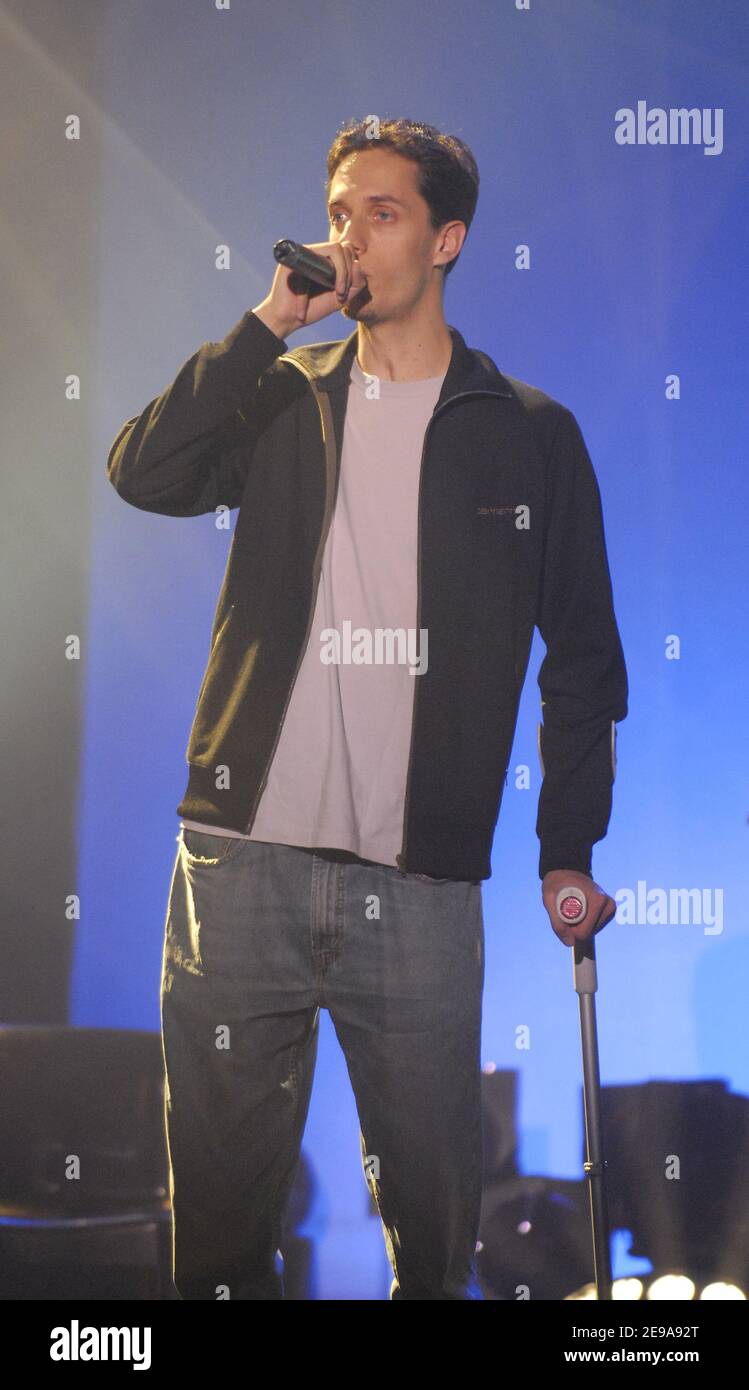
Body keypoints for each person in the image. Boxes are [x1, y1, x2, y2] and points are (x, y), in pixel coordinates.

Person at [107, 116, 627, 1300]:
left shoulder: (529, 436)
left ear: (445, 240)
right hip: (239, 874)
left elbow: (584, 662)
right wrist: (267, 324)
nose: (347, 238)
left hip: (419, 890)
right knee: (221, 1249)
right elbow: (144, 471)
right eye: (338, 212)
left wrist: (564, 849)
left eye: (378, 215)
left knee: (433, 1250)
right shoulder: (284, 392)